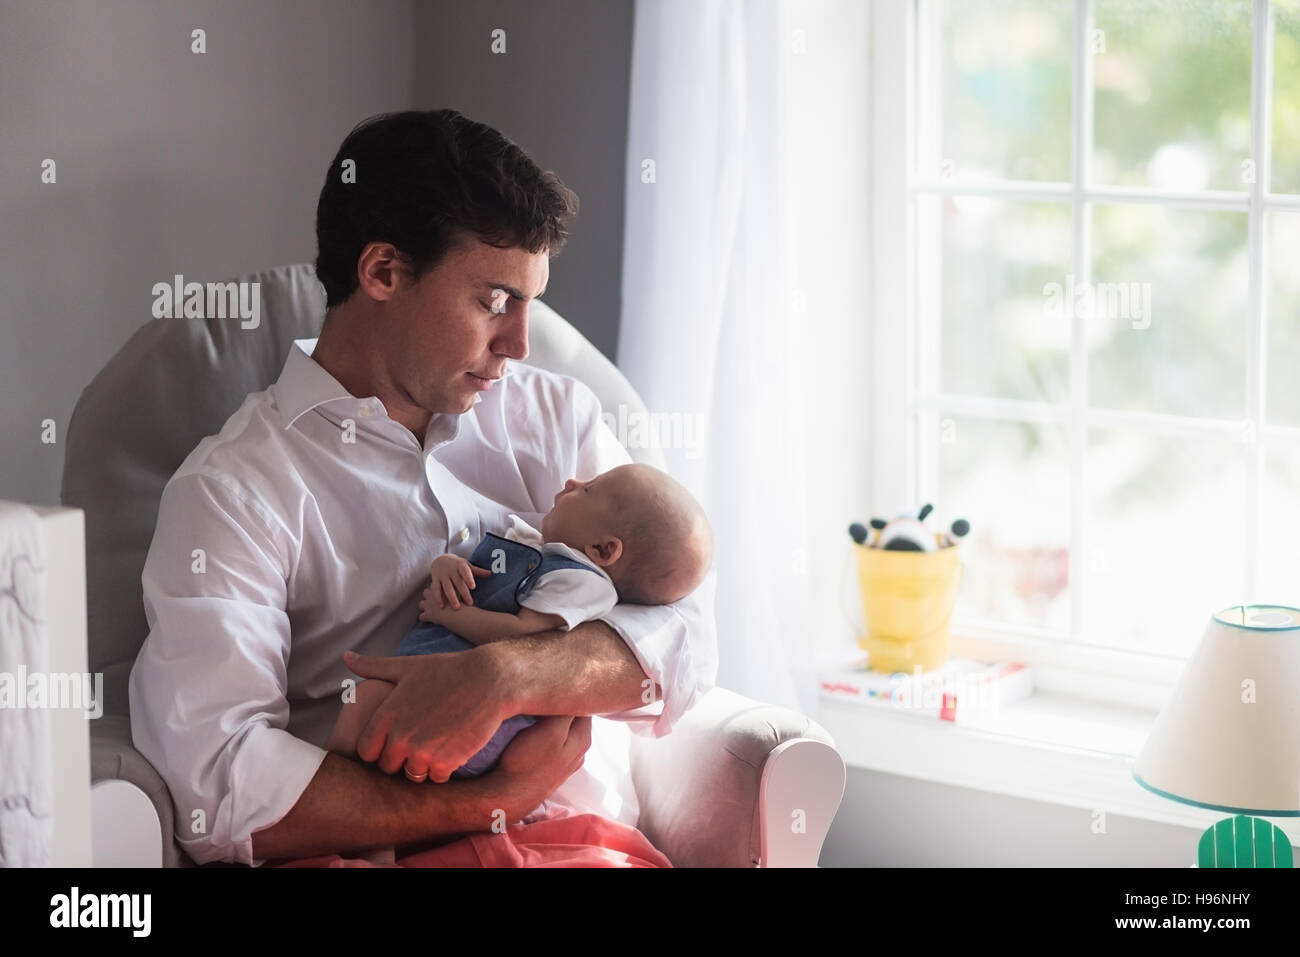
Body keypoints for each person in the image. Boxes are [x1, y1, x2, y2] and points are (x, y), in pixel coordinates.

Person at [127, 109, 718, 866]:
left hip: (585, 846)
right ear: (381, 272)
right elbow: (219, 787)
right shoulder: (233, 491)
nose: (521, 344)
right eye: (495, 301)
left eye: (531, 304)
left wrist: (500, 675)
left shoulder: (555, 417)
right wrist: (486, 802)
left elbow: (686, 633)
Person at [324, 463, 715, 780]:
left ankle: (369, 845)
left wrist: (451, 615)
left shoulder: (580, 582)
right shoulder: (535, 549)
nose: (572, 480)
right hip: (439, 687)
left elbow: (518, 634)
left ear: (602, 549)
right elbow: (479, 578)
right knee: (370, 724)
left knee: (366, 714)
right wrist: (448, 567)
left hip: (478, 724)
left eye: (588, 489)